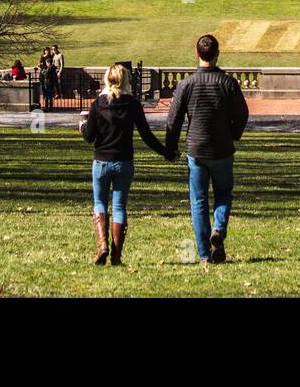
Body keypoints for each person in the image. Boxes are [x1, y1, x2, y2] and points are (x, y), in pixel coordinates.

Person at [166, 35, 249, 265]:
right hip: (222, 147)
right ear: (217, 53)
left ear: (197, 53)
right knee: (224, 193)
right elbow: (242, 114)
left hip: (196, 148)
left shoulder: (187, 83)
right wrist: (233, 133)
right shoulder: (228, 83)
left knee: (198, 201)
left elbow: (174, 120)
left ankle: (204, 253)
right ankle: (219, 229)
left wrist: (171, 148)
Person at [80, 62, 172, 265]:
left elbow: (89, 137)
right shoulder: (133, 105)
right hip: (124, 161)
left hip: (101, 160)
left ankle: (102, 244)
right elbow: (147, 136)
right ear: (126, 81)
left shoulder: (98, 104)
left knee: (99, 203)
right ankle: (116, 255)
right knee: (120, 207)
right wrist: (166, 152)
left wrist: (83, 126)